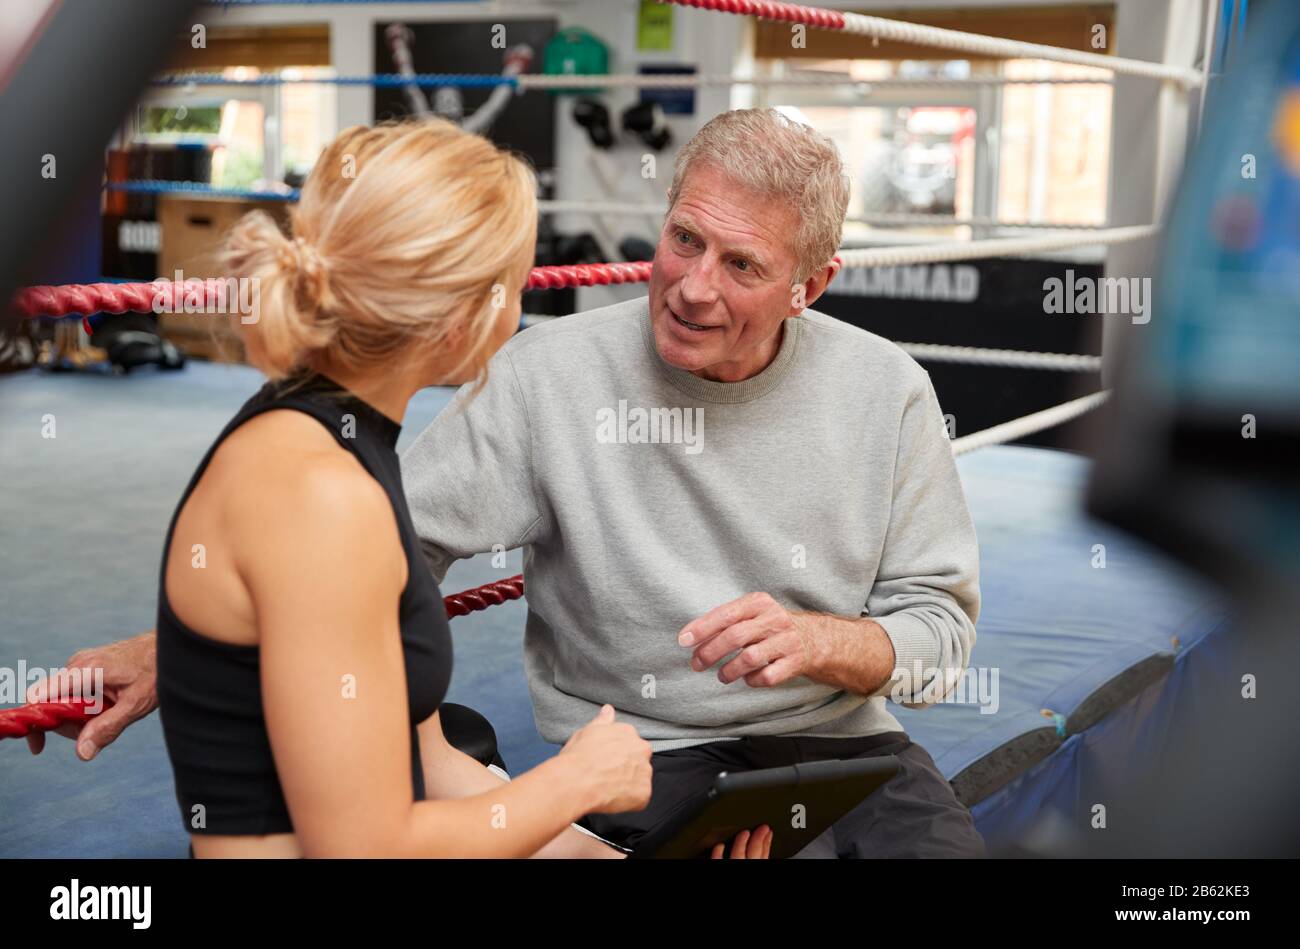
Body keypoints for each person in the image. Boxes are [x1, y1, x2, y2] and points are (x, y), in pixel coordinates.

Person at [39, 108, 981, 858]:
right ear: (460, 316)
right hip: (649, 754)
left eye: (741, 265)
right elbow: (319, 593)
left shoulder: (887, 389)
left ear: (810, 284)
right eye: (684, 239)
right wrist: (187, 643)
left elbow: (943, 642)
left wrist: (826, 641)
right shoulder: (483, 408)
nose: (693, 287)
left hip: (848, 752)